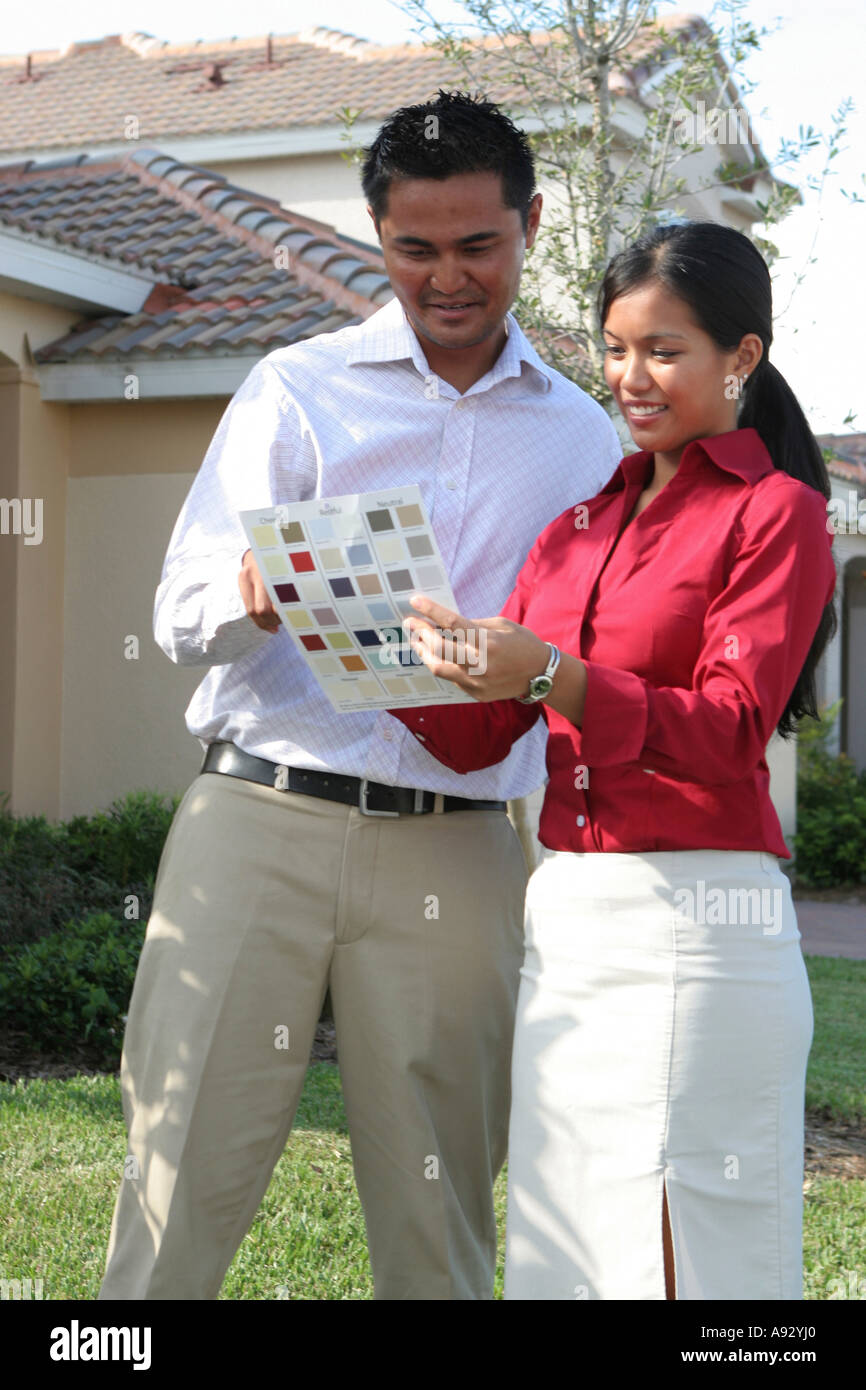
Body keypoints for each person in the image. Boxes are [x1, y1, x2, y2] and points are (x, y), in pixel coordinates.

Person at [97, 90, 621, 1301]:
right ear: (376, 235)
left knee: (439, 1216)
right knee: (173, 1183)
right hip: (257, 822)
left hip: (457, 845)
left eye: (477, 245)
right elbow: (178, 618)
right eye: (414, 249)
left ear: (530, 224)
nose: (447, 278)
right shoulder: (295, 389)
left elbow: (586, 659)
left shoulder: (583, 442)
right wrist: (251, 586)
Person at [391, 220, 838, 1301]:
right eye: (612, 347)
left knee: (684, 1243)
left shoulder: (775, 515)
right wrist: (372, 650)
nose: (628, 378)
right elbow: (480, 736)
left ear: (741, 357)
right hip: (569, 925)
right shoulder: (574, 529)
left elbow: (729, 727)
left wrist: (548, 673)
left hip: (697, 924)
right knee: (570, 1239)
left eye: (662, 350)